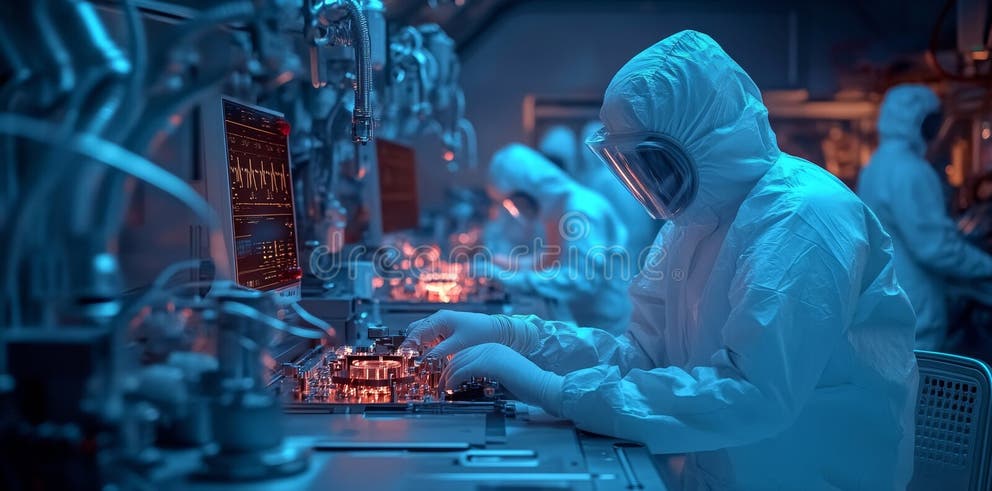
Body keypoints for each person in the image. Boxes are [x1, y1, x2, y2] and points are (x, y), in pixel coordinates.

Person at [404, 30, 918, 489]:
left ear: (708, 138)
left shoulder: (802, 219)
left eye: (651, 162)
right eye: (631, 165)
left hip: (811, 476)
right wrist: (517, 335)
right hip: (720, 470)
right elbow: (642, 357)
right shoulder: (692, 224)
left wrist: (556, 390)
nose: (644, 184)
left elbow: (750, 396)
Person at [858, 84, 992, 350]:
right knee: (923, 385)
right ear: (923, 123)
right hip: (916, 309)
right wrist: (987, 267)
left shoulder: (874, 167)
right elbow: (936, 248)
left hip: (887, 302)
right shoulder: (911, 170)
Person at [480, 143, 631, 334]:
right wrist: (504, 264)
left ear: (528, 188)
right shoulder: (557, 209)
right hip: (583, 318)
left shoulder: (581, 211)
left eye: (512, 201)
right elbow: (551, 259)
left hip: (602, 325)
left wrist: (508, 278)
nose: (514, 209)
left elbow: (580, 281)